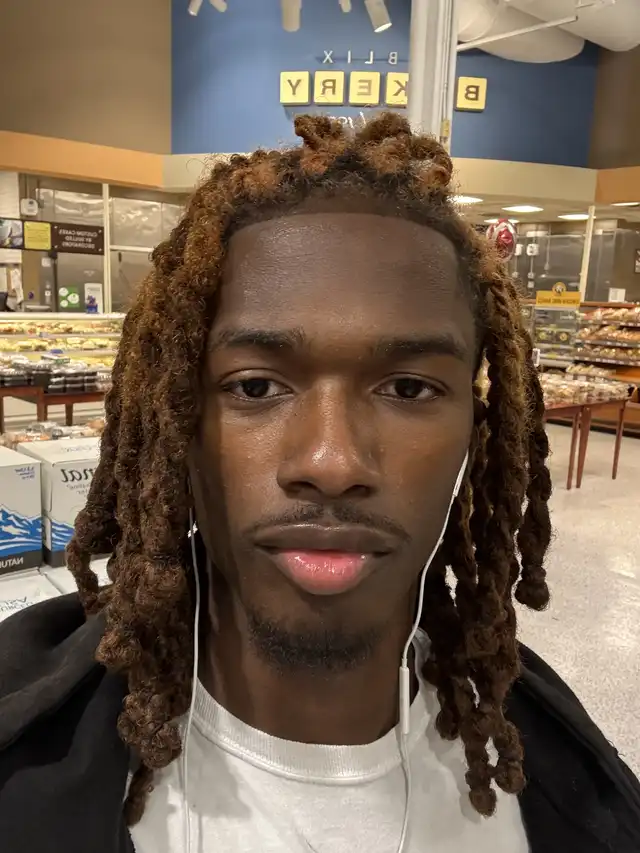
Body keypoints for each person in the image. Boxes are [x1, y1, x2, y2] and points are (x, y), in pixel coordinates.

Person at [1, 113, 639, 853]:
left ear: (475, 428)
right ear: (176, 420)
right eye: (254, 386)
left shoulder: (575, 790)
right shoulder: (22, 772)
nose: (332, 463)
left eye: (408, 388)